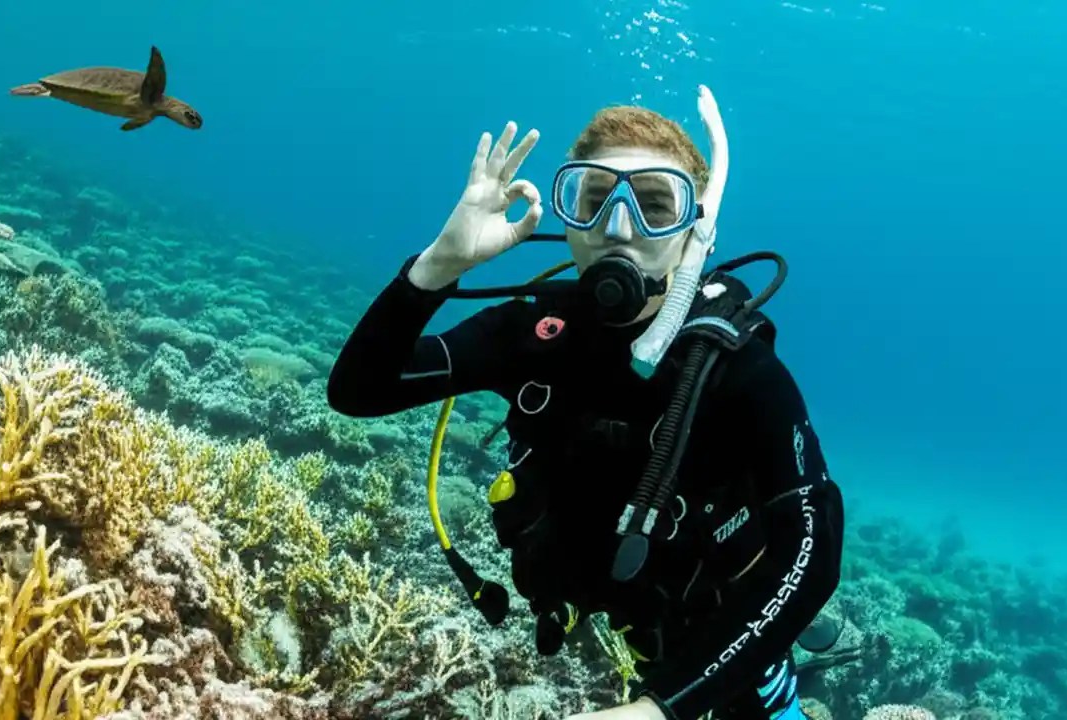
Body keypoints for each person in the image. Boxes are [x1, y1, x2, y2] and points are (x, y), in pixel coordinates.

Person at [327, 86, 845, 720]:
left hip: (713, 620)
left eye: (657, 205)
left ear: (697, 230)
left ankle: (811, 653)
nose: (620, 228)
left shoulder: (737, 370)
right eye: (594, 200)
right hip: (602, 597)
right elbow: (359, 390)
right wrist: (438, 265)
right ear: (568, 217)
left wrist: (657, 711)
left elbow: (810, 556)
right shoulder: (530, 336)